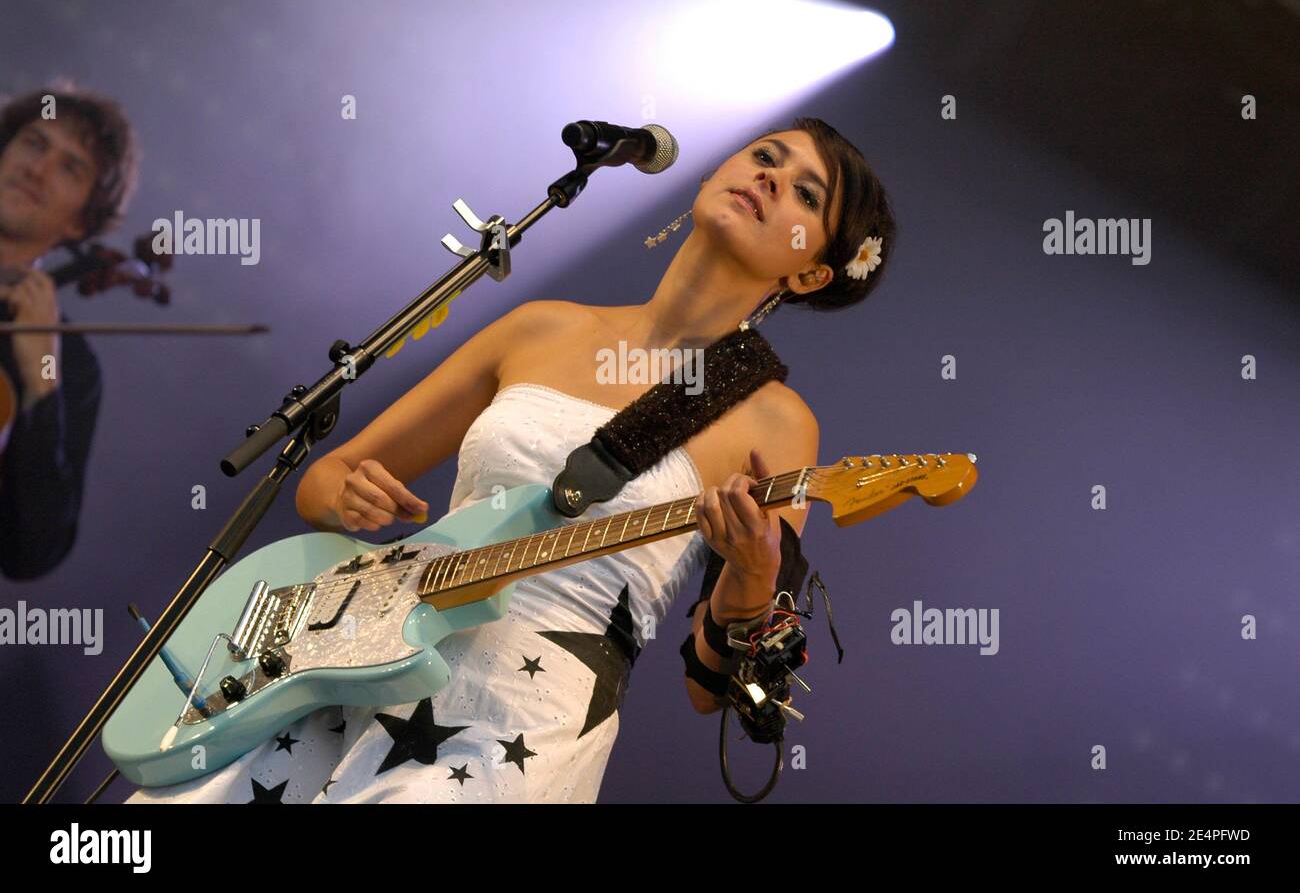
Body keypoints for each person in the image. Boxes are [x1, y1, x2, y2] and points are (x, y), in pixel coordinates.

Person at [125, 116, 895, 803]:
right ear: (711, 173)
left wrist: (754, 578)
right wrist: (344, 496)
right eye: (765, 153)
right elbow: (324, 478)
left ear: (811, 273)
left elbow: (713, 687)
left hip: (513, 724)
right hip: (357, 656)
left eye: (804, 192)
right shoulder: (537, 328)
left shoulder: (773, 418)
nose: (768, 176)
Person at [0, 84, 139, 580]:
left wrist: (41, 383)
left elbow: (31, 551)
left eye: (70, 167)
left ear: (83, 220)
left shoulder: (70, 363)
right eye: (34, 144)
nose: (38, 169)